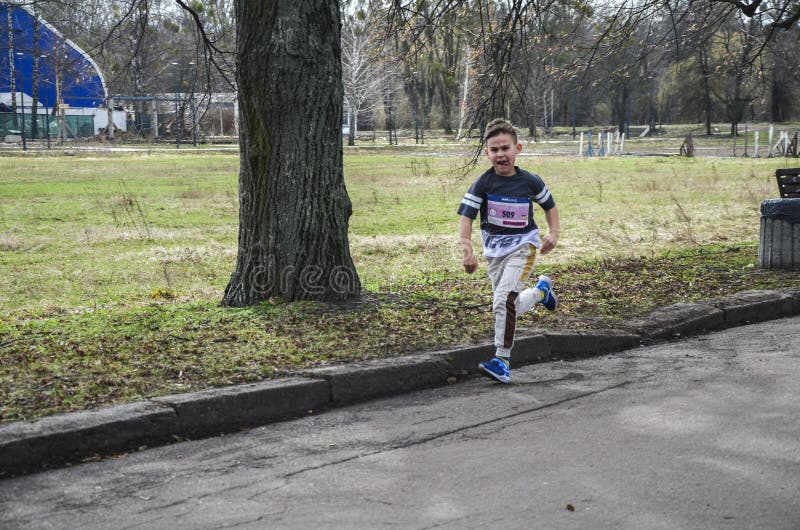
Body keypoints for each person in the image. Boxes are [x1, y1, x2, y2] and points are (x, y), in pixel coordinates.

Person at [457, 118, 560, 383]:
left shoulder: (530, 181)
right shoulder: (483, 183)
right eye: (495, 150)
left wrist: (553, 232)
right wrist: (467, 250)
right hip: (494, 254)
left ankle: (501, 360)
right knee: (504, 304)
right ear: (486, 153)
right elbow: (466, 217)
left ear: (518, 149)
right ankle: (540, 293)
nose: (501, 154)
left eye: (505, 148)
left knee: (503, 301)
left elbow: (550, 206)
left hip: (523, 248)